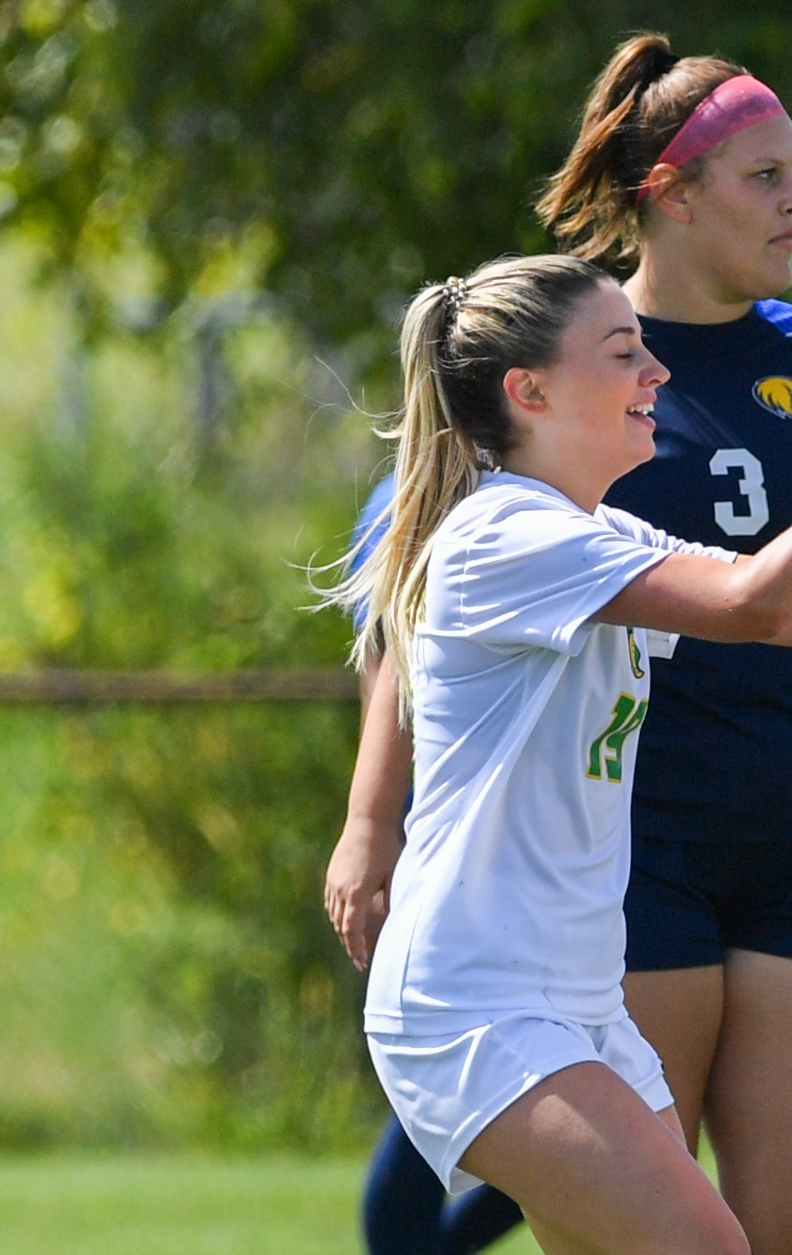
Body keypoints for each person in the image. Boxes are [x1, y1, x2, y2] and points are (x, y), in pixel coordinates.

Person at [328, 34, 792, 1255]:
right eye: (765, 173)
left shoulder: (613, 486)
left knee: (779, 1231)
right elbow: (761, 603)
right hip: (525, 975)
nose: (655, 372)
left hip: (617, 964)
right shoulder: (514, 518)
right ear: (672, 194)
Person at [330, 474, 527, 1255]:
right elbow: (387, 676)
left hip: (558, 861)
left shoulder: (571, 483)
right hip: (482, 866)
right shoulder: (415, 498)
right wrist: (378, 827)